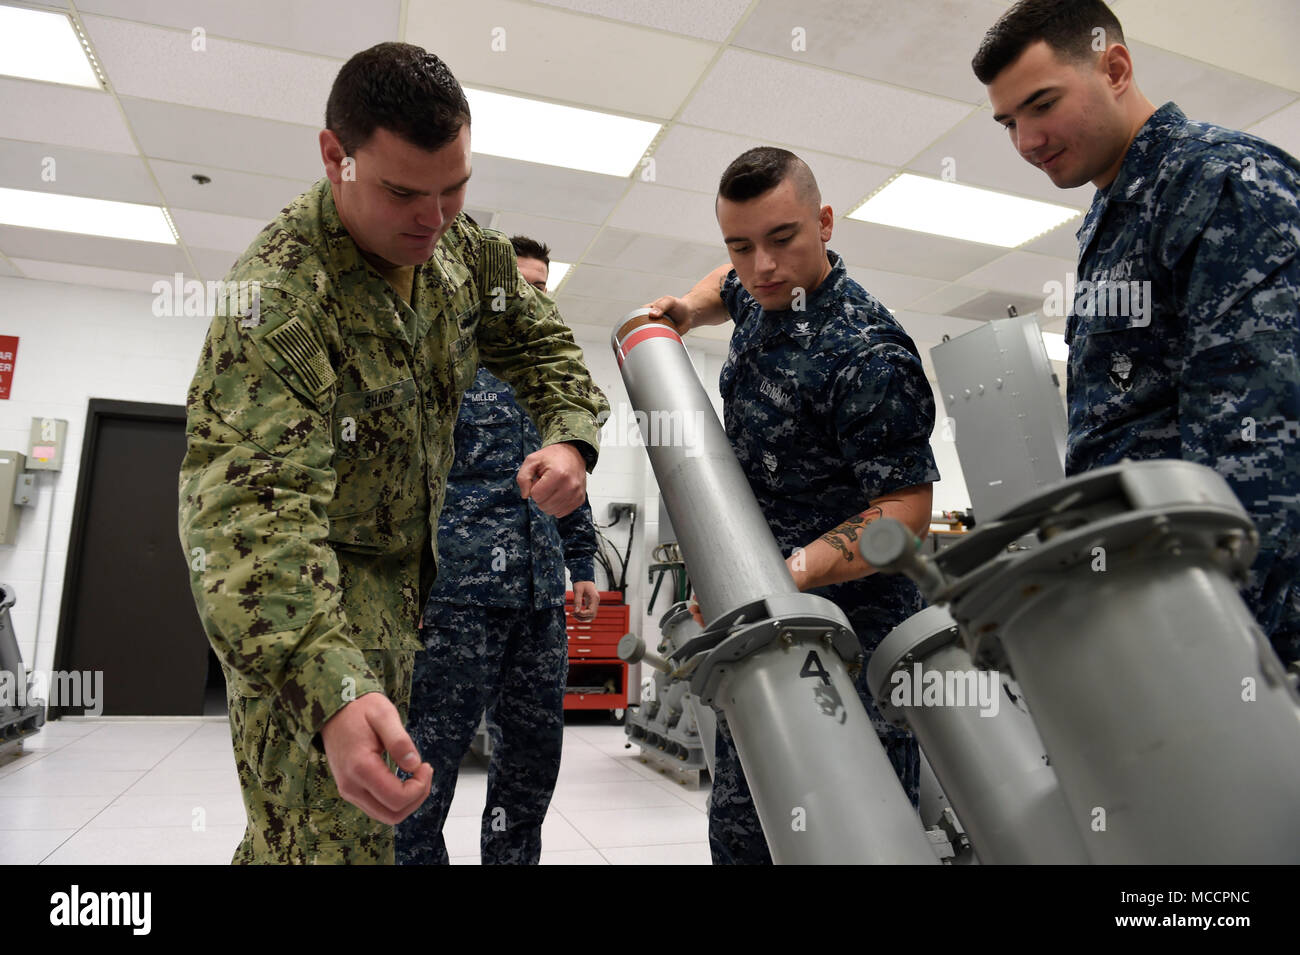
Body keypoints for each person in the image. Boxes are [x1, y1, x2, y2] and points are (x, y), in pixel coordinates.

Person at [177, 43, 608, 865]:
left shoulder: (460, 252)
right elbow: (247, 526)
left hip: (427, 590)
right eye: (406, 191)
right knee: (322, 847)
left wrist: (569, 434)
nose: (435, 217)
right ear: (335, 156)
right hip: (318, 610)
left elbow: (544, 341)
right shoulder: (278, 304)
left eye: (457, 189)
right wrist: (332, 688)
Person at [974, 0, 1300, 665]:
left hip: (1227, 633)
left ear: (1114, 67)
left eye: (1041, 104)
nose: (1026, 142)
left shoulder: (1220, 181)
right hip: (1150, 606)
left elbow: (1260, 444)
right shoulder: (1115, 211)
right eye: (1009, 122)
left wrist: (1222, 650)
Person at [646, 147, 940, 865]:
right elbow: (726, 286)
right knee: (746, 831)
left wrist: (792, 572)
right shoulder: (757, 288)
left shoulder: (868, 355)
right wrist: (687, 307)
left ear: (826, 223)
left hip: (852, 634)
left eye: (782, 238)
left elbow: (904, 511)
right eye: (741, 245)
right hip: (766, 617)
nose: (762, 266)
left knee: (855, 835)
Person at [396, 236, 600, 865]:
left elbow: (569, 482)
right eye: (521, 286)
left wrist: (582, 561)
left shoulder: (546, 383)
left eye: (542, 288)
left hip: (539, 606)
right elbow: (404, 487)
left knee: (531, 764)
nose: (531, 299)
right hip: (458, 601)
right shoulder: (446, 367)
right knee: (425, 766)